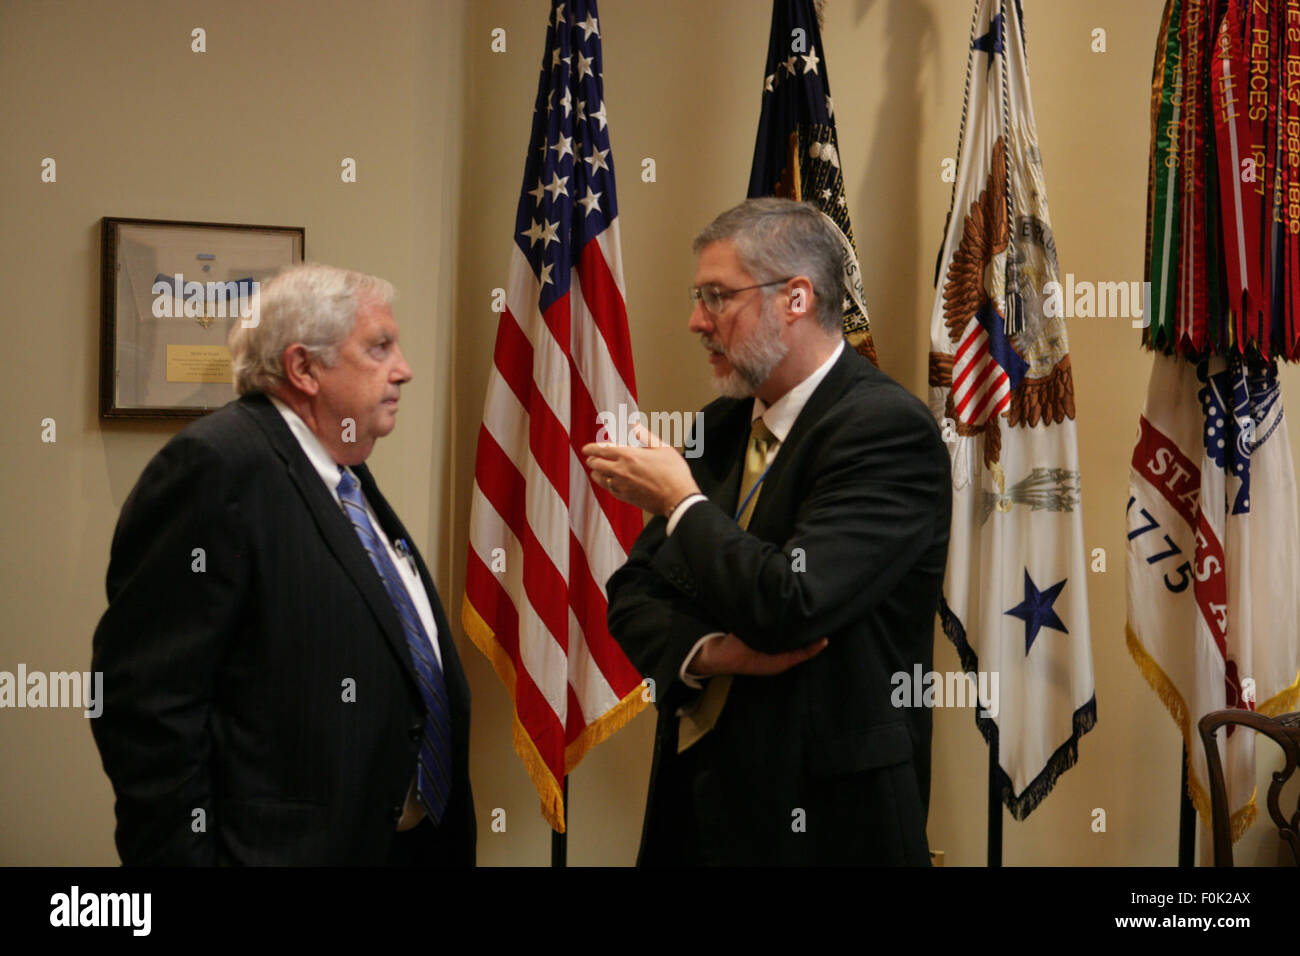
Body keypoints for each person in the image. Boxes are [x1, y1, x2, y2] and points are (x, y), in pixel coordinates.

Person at [583, 198, 950, 865]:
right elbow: (634, 596)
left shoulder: (885, 430)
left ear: (797, 298)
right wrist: (716, 653)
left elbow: (792, 602)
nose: (697, 321)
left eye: (717, 296)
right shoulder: (719, 427)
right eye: (699, 297)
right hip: (696, 808)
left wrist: (681, 503)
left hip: (829, 822)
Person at [90, 264, 475, 866]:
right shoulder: (216, 467)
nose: (404, 368)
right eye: (380, 347)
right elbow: (149, 708)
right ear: (303, 369)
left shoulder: (344, 472)